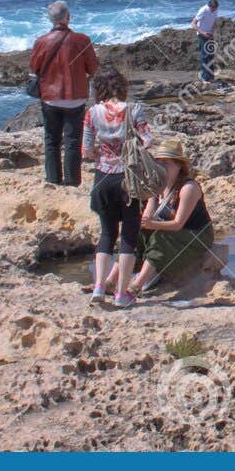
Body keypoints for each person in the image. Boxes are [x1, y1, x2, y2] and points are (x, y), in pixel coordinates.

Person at [81, 66, 151, 306]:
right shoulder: (134, 110)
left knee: (107, 233)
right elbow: (148, 141)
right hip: (128, 180)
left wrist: (103, 151)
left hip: (102, 177)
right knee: (129, 237)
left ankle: (99, 287)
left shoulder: (92, 113)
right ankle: (121, 294)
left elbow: (87, 151)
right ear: (122, 87)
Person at [127, 138, 214, 297]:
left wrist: (152, 224)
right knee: (134, 233)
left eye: (166, 163)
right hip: (170, 228)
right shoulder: (157, 184)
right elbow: (150, 210)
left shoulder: (188, 187)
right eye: (158, 162)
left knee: (162, 237)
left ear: (178, 165)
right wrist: (143, 222)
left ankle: (136, 286)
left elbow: (178, 223)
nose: (161, 167)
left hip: (194, 233)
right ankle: (113, 280)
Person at [29, 1, 99, 187]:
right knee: (73, 140)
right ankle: (72, 181)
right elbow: (93, 68)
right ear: (67, 17)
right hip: (75, 97)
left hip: (50, 97)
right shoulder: (82, 40)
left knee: (51, 140)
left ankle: (52, 179)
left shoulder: (41, 41)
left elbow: (34, 67)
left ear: (51, 19)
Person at [191, 0, 220, 83]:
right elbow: (193, 23)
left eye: (215, 8)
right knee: (205, 55)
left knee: (211, 55)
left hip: (210, 34)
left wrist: (212, 32)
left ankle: (210, 76)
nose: (214, 10)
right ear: (209, 6)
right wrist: (203, 33)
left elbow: (214, 21)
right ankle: (204, 78)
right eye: (213, 8)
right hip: (202, 34)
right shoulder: (203, 10)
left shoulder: (215, 10)